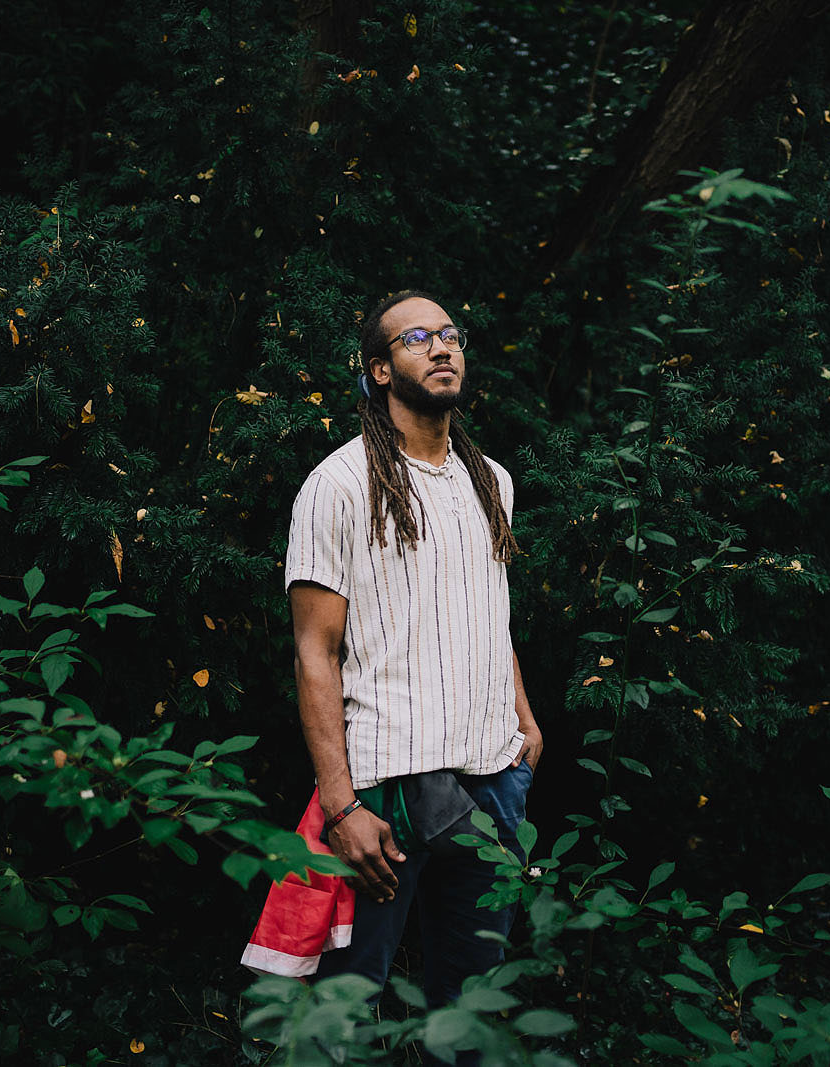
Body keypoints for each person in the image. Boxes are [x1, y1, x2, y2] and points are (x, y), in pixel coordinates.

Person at [285, 289, 544, 1018]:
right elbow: (314, 650)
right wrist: (340, 803)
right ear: (379, 369)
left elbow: (489, 612)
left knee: (470, 1006)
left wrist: (525, 723)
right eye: (417, 338)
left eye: (450, 334)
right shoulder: (338, 484)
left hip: (494, 775)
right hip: (386, 790)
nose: (441, 348)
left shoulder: (491, 480)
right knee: (345, 1006)